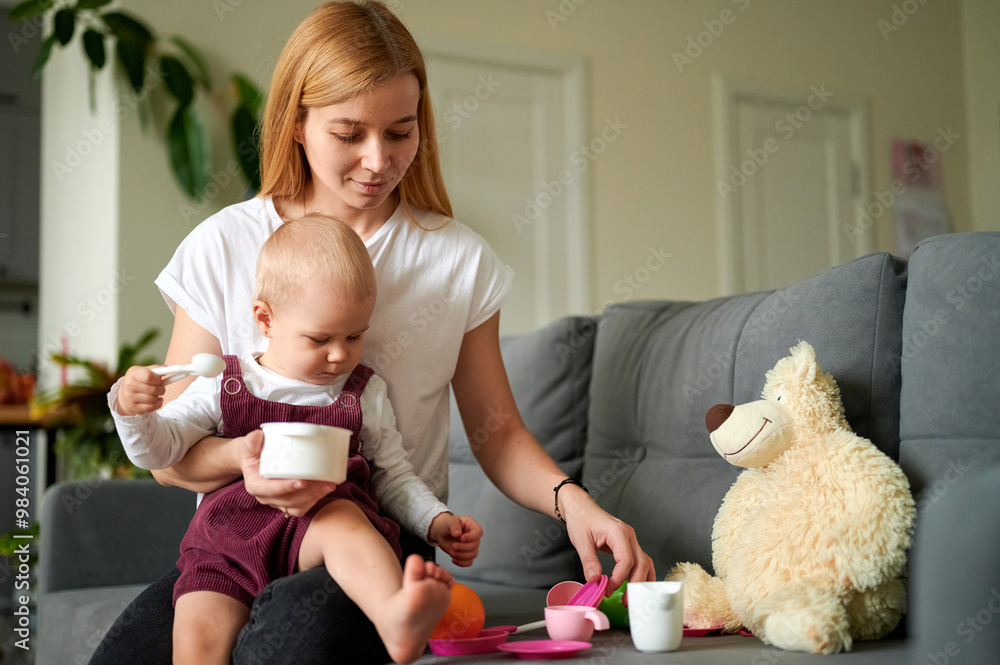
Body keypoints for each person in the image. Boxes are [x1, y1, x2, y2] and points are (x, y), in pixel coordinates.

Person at [90, 2, 655, 663]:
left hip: (372, 539)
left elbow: (497, 431)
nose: (377, 159)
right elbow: (169, 454)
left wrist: (574, 502)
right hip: (234, 541)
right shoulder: (222, 247)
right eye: (349, 132)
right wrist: (245, 459)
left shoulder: (456, 261)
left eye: (400, 131)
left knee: (285, 645)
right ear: (296, 122)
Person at [110, 215, 482, 664]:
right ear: (265, 319)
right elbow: (162, 452)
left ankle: (394, 617)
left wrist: (434, 521)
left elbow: (394, 476)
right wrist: (134, 414)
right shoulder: (224, 383)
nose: (340, 354)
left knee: (345, 520)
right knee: (197, 640)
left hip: (319, 525)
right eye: (320, 338)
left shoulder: (364, 392)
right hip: (228, 543)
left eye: (355, 335)